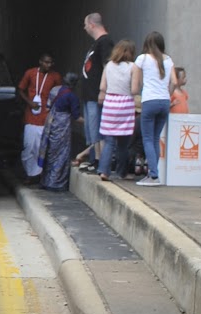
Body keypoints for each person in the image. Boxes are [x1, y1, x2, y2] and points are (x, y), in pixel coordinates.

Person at [131, 31, 176, 186]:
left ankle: (154, 175)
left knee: (148, 139)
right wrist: (167, 95)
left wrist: (135, 95)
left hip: (149, 101)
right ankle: (153, 174)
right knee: (155, 139)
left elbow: (135, 87)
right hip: (164, 102)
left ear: (146, 44)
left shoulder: (142, 59)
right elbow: (175, 82)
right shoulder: (168, 60)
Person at [74, 12, 112, 171]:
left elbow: (107, 67)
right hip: (89, 95)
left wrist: (103, 90)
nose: (84, 28)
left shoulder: (105, 43)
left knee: (97, 129)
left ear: (92, 24)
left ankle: (101, 163)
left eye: (85, 24)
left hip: (96, 94)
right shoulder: (96, 44)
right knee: (92, 130)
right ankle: (95, 159)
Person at [17, 52, 62, 181]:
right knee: (29, 146)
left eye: (51, 63)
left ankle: (36, 175)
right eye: (46, 62)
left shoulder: (55, 76)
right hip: (30, 117)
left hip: (45, 117)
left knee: (40, 148)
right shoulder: (30, 73)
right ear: (40, 62)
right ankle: (29, 172)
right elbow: (20, 89)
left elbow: (59, 93)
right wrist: (29, 102)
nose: (48, 65)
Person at [96, 39, 136, 181]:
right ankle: (122, 172)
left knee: (109, 141)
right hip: (125, 103)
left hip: (110, 103)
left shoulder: (108, 66)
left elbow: (102, 86)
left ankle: (104, 171)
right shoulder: (133, 67)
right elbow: (135, 88)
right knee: (123, 143)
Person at [38, 73, 82, 190]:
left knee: (50, 152)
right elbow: (76, 117)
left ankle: (45, 180)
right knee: (61, 153)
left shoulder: (55, 91)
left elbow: (47, 107)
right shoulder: (72, 97)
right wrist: (90, 124)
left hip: (51, 123)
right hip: (62, 126)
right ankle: (55, 183)